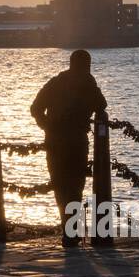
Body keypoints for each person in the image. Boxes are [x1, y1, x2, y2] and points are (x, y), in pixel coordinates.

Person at [31, 50, 107, 247]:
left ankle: (68, 230)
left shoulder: (55, 83)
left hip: (54, 142)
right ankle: (71, 231)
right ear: (86, 65)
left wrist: (47, 125)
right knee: (75, 187)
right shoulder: (88, 84)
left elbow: (35, 107)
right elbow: (102, 105)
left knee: (60, 187)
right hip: (76, 142)